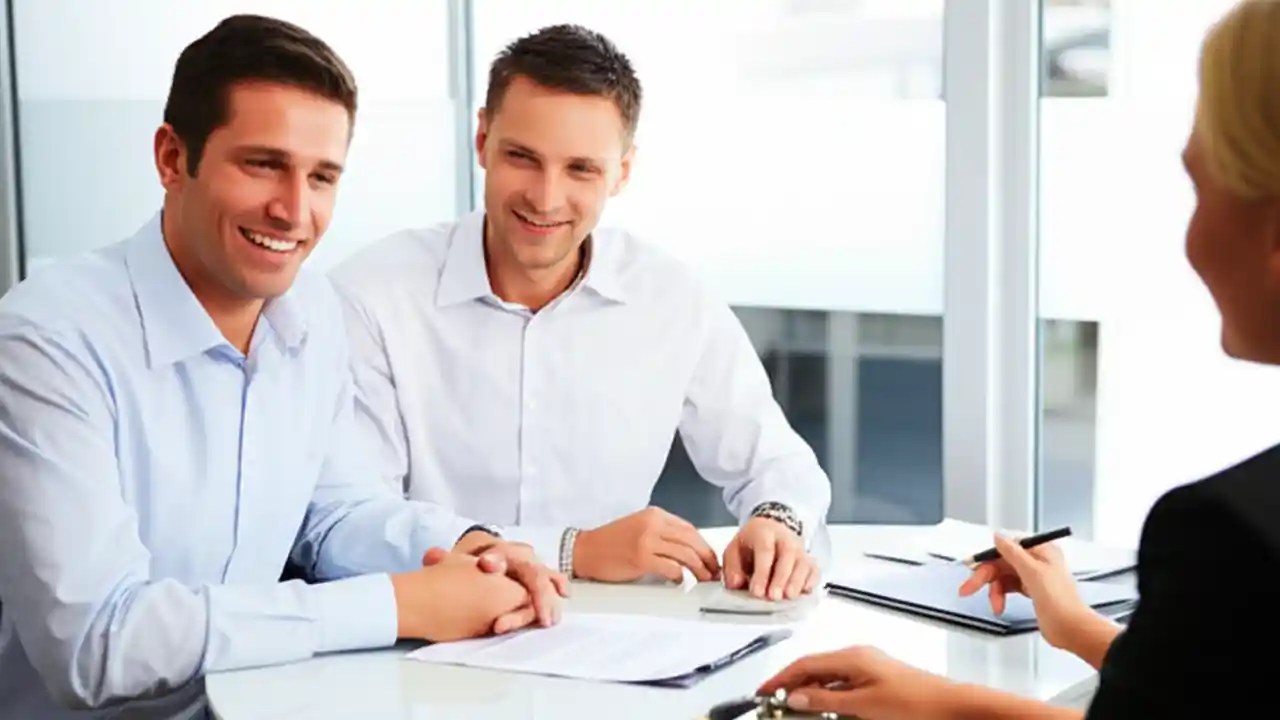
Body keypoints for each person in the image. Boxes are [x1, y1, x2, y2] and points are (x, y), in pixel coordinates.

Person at [0, 15, 565, 718]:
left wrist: (465, 547)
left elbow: (331, 514)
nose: (294, 210)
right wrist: (394, 604)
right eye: (263, 164)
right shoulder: (49, 337)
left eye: (321, 176)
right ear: (173, 159)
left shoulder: (313, 311)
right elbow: (95, 644)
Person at [757, 0, 1280, 717]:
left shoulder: (1230, 534)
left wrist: (934, 703)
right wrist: (1079, 628)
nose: (1189, 238)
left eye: (1199, 186)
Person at [328, 23, 832, 601]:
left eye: (581, 169)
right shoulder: (373, 296)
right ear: (482, 141)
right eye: (522, 157)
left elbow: (776, 460)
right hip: (419, 638)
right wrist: (574, 550)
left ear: (621, 172)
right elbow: (355, 524)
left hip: (613, 641)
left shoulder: (669, 297)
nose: (545, 197)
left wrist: (777, 522)